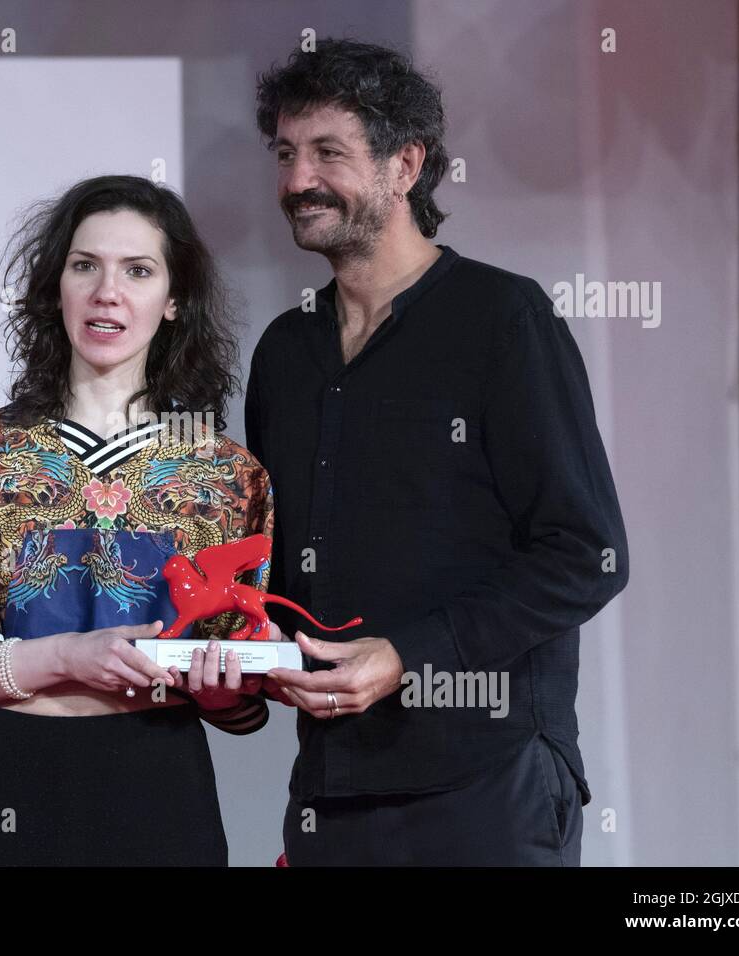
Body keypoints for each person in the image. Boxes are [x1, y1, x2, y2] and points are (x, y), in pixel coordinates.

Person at [247, 39, 630, 865]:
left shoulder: (504, 321)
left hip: (486, 783)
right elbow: (282, 581)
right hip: (329, 793)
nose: (296, 180)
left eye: (327, 152)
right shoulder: (284, 352)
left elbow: (586, 554)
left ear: (405, 165)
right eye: (285, 153)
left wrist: (407, 657)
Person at [0, 175, 275, 866]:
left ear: (174, 301)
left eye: (138, 271)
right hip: (18, 775)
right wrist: (62, 658)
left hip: (161, 783)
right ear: (58, 287)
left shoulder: (229, 475)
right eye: (86, 266)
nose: (107, 290)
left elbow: (240, 697)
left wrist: (223, 686)